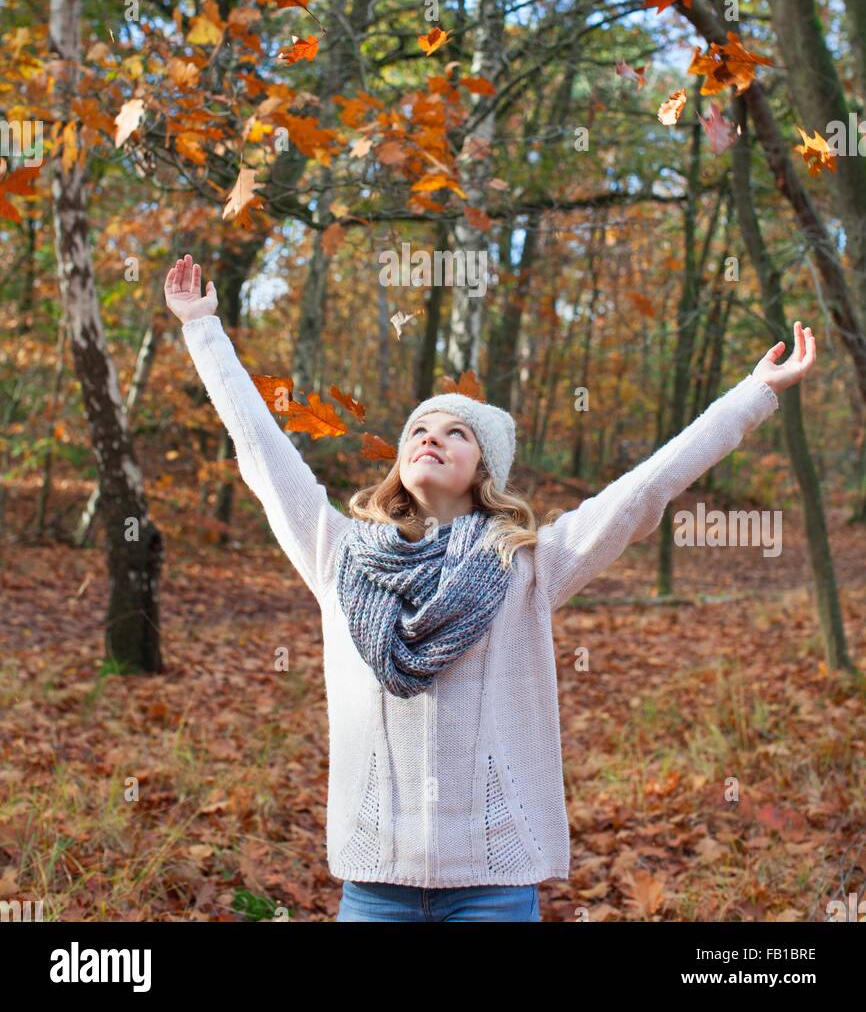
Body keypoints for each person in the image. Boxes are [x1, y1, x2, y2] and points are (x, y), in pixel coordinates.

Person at [164, 253, 817, 922]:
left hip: (492, 885)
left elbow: (644, 491)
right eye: (418, 429)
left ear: (485, 470)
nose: (430, 438)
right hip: (374, 885)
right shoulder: (342, 558)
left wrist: (754, 395)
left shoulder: (526, 567)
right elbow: (263, 456)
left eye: (456, 433)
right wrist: (203, 329)